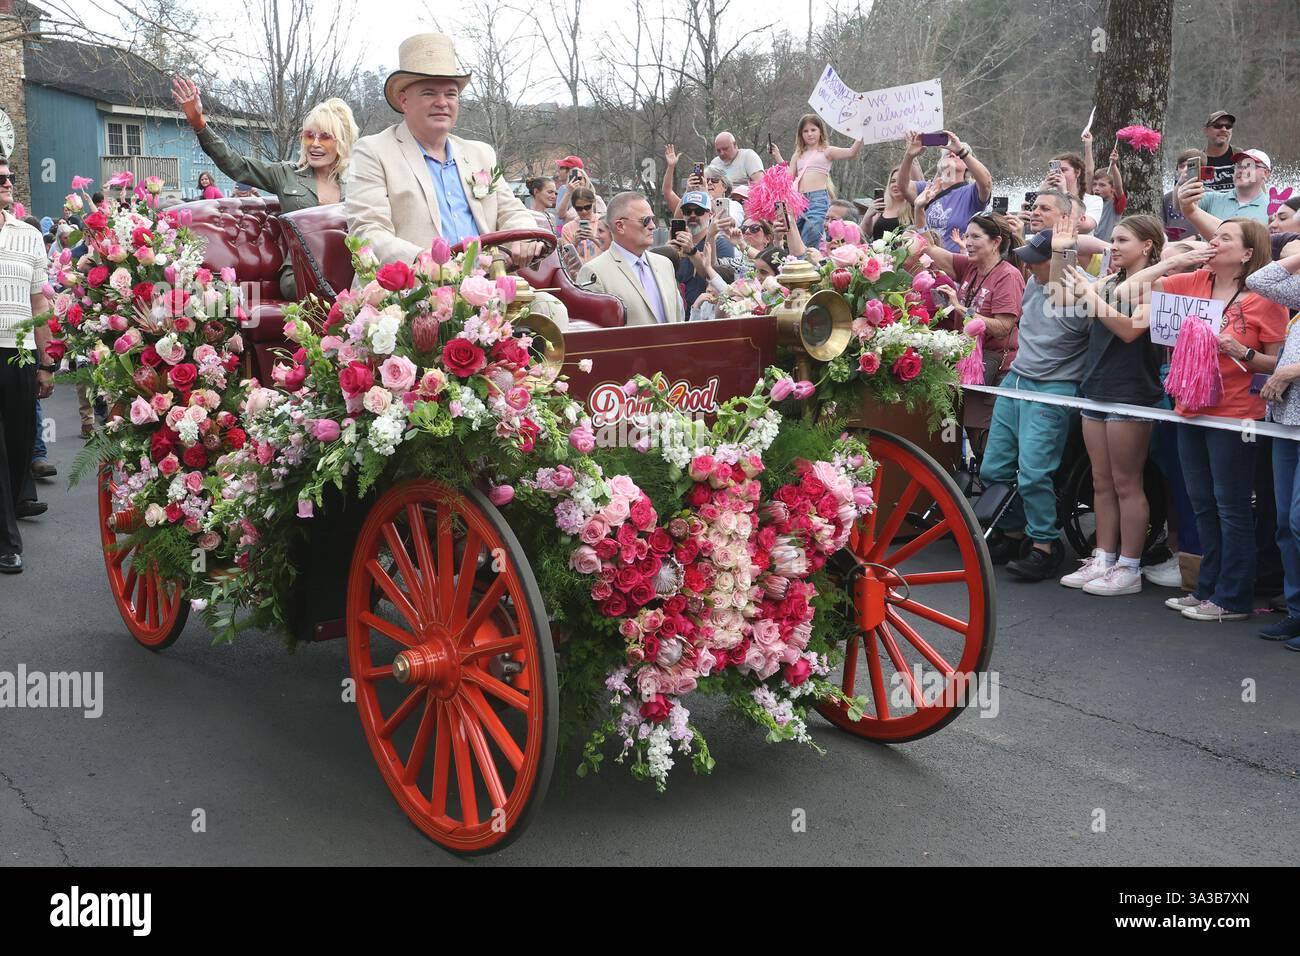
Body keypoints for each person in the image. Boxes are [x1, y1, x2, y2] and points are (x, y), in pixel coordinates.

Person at [1140, 218, 1286, 621]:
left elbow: (1279, 361)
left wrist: (1243, 351)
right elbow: (1133, 289)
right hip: (1190, 408)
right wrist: (1181, 258)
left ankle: (1234, 597)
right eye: (1213, 235)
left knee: (1231, 506)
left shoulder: (1264, 297)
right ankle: (1207, 587)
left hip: (1236, 415)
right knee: (1202, 503)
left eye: (1225, 238)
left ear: (1247, 253)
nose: (1214, 241)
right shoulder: (1196, 281)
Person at [346, 33, 539, 267]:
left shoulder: (481, 153)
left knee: (553, 305)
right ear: (404, 100)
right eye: (429, 93)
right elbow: (367, 232)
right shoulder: (372, 151)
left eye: (451, 94)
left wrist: (524, 235)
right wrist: (425, 262)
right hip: (412, 293)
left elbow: (512, 211)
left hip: (488, 285)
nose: (442, 102)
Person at [977, 192, 1091, 579]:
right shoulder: (1032, 284)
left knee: (1035, 472)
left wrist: (1064, 251)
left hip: (1053, 388)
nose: (1028, 265)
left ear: (1054, 260)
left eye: (1035, 260)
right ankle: (1012, 532)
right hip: (1017, 381)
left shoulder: (1077, 290)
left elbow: (1065, 286)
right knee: (993, 466)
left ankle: (1045, 542)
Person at [1056, 215, 1167, 595]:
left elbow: (1131, 329)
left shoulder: (1157, 282)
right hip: (1097, 388)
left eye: (1122, 240)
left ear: (1148, 246)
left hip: (1132, 391)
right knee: (1101, 481)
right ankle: (1103, 557)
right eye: (1113, 240)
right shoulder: (1110, 280)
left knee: (1126, 483)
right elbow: (1062, 296)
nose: (1113, 246)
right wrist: (1064, 250)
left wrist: (1091, 297)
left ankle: (1130, 566)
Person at [172, 76, 358, 297]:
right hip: (301, 276)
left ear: (341, 142)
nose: (315, 144)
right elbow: (237, 165)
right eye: (309, 136)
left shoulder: (356, 183)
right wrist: (199, 123)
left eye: (325, 137)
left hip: (350, 272)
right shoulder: (286, 174)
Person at [920, 214, 1026, 461]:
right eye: (967, 236)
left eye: (975, 237)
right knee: (962, 431)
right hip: (966, 364)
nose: (967, 242)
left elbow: (1003, 326)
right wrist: (919, 209)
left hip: (993, 369)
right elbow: (930, 248)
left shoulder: (1008, 275)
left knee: (984, 441)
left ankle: (995, 490)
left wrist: (962, 309)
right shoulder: (969, 266)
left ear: (995, 242)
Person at [0, 155, 55, 573]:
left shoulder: (29, 235)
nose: (8, 183)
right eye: (1, 178)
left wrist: (46, 361)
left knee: (19, 442)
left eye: (11, 177)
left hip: (18, 354)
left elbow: (40, 301)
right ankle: (6, 542)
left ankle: (15, 500)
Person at [1250, 238, 1300, 647]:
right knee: (1285, 522)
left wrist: (1290, 370)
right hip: (1286, 421)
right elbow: (1258, 279)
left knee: (1299, 521)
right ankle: (1297, 612)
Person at [578, 191, 684, 326]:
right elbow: (593, 335)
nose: (653, 226)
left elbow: (677, 320)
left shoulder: (665, 265)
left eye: (653, 219)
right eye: (645, 220)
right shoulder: (594, 272)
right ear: (620, 226)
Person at [768, 114, 862, 247]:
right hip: (799, 201)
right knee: (796, 236)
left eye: (813, 130)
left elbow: (851, 152)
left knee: (811, 234)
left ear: (820, 131)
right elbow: (788, 178)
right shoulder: (798, 154)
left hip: (817, 198)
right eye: (805, 131)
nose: (809, 134)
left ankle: (810, 263)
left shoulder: (826, 151)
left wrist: (862, 134)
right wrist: (777, 156)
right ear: (800, 134)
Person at [901, 130, 993, 253]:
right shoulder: (928, 189)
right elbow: (903, 187)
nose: (952, 153)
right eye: (948, 153)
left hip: (956, 265)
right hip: (927, 262)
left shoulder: (971, 192)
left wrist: (961, 151)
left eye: (956, 154)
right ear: (940, 163)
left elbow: (986, 183)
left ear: (967, 166)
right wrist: (909, 156)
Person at [672, 190, 737, 310]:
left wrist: (708, 237)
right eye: (687, 211)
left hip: (705, 315)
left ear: (711, 214)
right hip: (680, 314)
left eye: (699, 211)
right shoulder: (677, 243)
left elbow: (715, 277)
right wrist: (668, 254)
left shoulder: (721, 243)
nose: (692, 215)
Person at [1195, 149, 1270, 225]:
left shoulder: (1274, 210)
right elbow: (1184, 207)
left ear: (1266, 173)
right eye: (1239, 166)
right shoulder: (1210, 199)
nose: (1241, 170)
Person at [1162, 148, 1205, 241]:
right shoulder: (1167, 198)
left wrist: (1195, 238)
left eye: (1190, 166)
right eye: (1181, 166)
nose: (1185, 170)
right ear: (1176, 170)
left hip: (1199, 246)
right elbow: (1161, 224)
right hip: (1172, 246)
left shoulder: (1210, 196)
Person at [863, 166, 915, 241]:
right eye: (892, 181)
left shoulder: (914, 208)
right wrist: (868, 217)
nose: (895, 185)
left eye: (900, 181)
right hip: (876, 252)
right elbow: (864, 236)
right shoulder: (881, 208)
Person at [559, 187, 608, 265]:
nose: (584, 211)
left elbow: (611, 251)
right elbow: (565, 258)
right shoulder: (568, 228)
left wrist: (594, 239)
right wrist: (574, 243)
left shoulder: (603, 222)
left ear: (594, 203)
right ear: (574, 207)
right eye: (579, 208)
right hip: (578, 273)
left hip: (601, 270)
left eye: (587, 207)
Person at [1088, 144, 1127, 242]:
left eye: (1102, 185)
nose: (1096, 188)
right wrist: (1088, 145)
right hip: (1089, 248)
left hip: (1106, 249)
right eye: (1095, 184)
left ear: (1112, 189)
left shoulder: (1115, 204)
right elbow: (1088, 172)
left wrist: (1113, 165)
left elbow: (1118, 186)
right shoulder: (1090, 202)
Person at [1202, 110, 1237, 192]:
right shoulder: (1196, 163)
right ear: (1206, 131)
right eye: (1218, 126)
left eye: (1228, 126)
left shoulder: (1243, 158)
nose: (1224, 129)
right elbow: (1180, 197)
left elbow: (1259, 195)